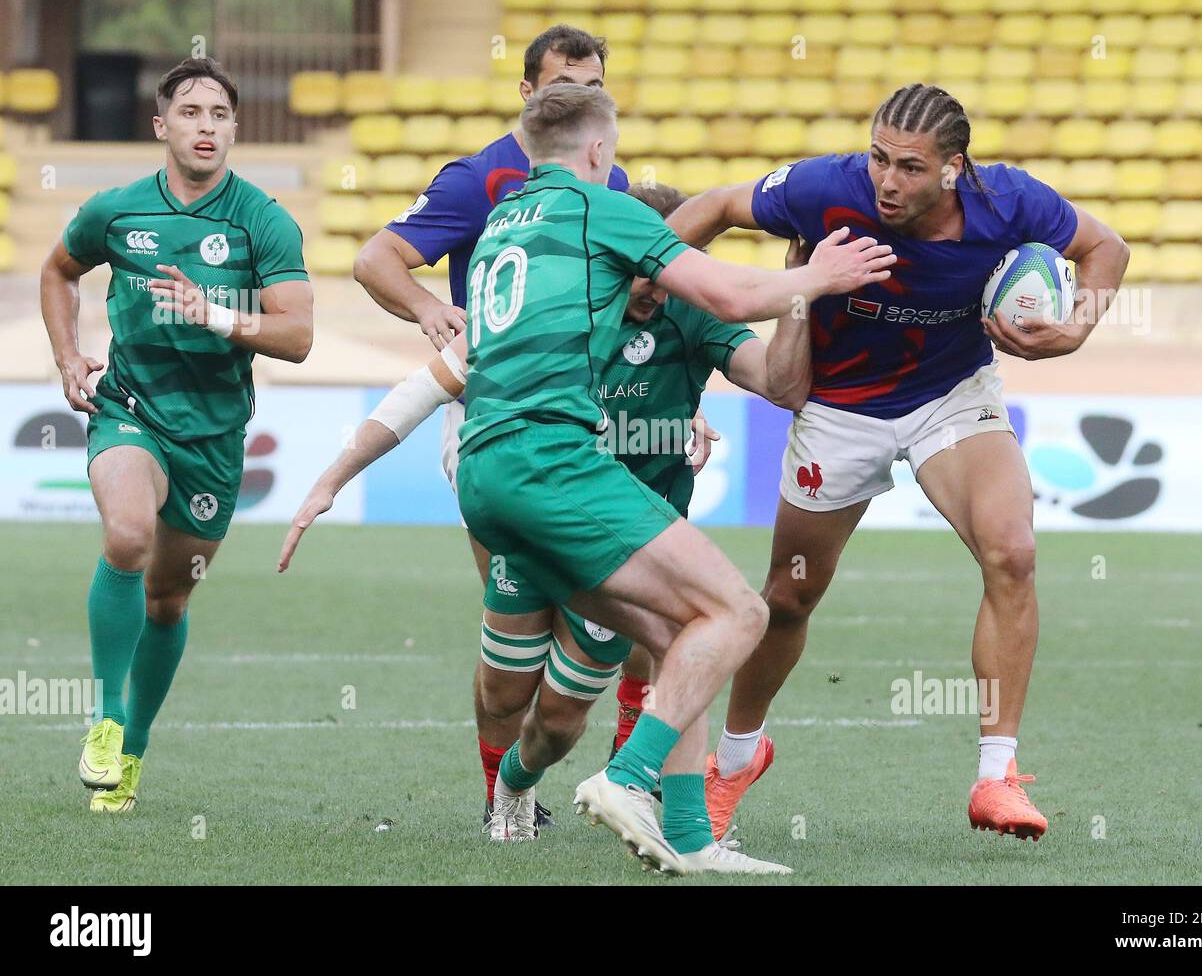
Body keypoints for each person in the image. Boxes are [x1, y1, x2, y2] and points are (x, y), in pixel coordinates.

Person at [278, 184, 814, 869]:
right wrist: (329, 479)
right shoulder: (553, 307)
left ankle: (530, 784)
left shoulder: (693, 316)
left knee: (563, 717)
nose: (652, 283)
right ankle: (594, 806)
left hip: (619, 541)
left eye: (669, 263)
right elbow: (429, 385)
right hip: (537, 519)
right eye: (639, 266)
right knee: (505, 687)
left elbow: (778, 380)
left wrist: (801, 299)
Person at [666, 82, 1130, 842]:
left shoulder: (1009, 202)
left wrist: (1078, 326)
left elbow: (1105, 246)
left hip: (951, 394)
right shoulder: (824, 189)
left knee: (1012, 552)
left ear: (954, 169)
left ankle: (996, 775)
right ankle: (735, 760)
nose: (886, 180)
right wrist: (648, 279)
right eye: (879, 157)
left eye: (910, 167)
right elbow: (715, 206)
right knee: (787, 597)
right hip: (842, 407)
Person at [455, 83, 894, 874]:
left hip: (484, 467)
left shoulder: (502, 225)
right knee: (741, 610)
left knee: (674, 635)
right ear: (598, 152)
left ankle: (691, 835)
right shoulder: (600, 208)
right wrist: (817, 277)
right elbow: (726, 290)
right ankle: (626, 777)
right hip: (551, 462)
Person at [351, 24, 710, 827]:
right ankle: (507, 792)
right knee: (518, 621)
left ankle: (632, 769)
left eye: (594, 85)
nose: (582, 97)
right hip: (492, 409)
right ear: (526, 91)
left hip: (590, 416)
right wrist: (434, 311)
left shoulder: (607, 176)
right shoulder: (481, 179)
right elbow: (376, 256)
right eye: (567, 84)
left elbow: (646, 304)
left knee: (646, 598)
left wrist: (686, 399)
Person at [40, 57, 313, 813]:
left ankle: (132, 750)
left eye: (220, 114)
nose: (206, 126)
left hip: (215, 438)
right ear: (162, 126)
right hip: (130, 408)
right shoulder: (117, 210)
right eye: (190, 112)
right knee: (126, 534)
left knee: (167, 601)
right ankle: (105, 715)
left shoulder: (263, 221)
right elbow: (58, 272)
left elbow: (298, 337)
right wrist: (68, 357)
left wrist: (217, 315)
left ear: (234, 128)